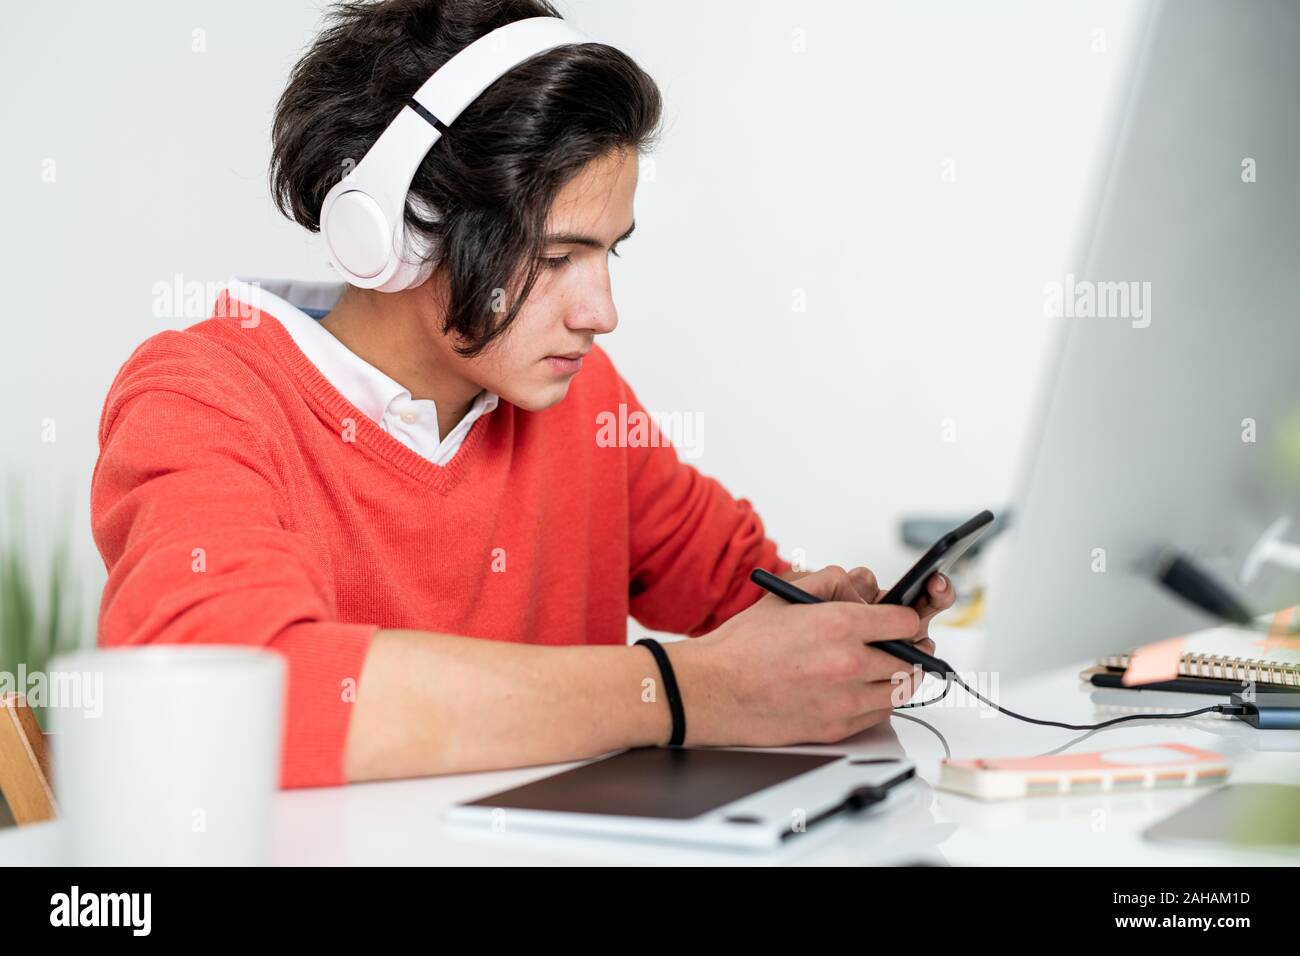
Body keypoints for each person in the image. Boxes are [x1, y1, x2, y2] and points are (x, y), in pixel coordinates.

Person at [90, 0, 953, 789]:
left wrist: (829, 623)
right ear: (393, 232)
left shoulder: (576, 393)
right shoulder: (201, 398)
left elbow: (735, 582)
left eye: (611, 252)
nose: (602, 313)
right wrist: (679, 694)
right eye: (553, 260)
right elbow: (236, 703)